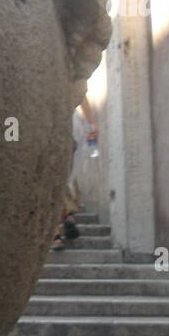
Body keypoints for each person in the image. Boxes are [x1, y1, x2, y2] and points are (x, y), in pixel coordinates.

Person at [53, 94, 98, 250]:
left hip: (53, 124)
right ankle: (68, 214)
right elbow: (80, 92)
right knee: (65, 178)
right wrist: (92, 123)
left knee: (53, 182)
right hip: (72, 125)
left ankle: (56, 234)